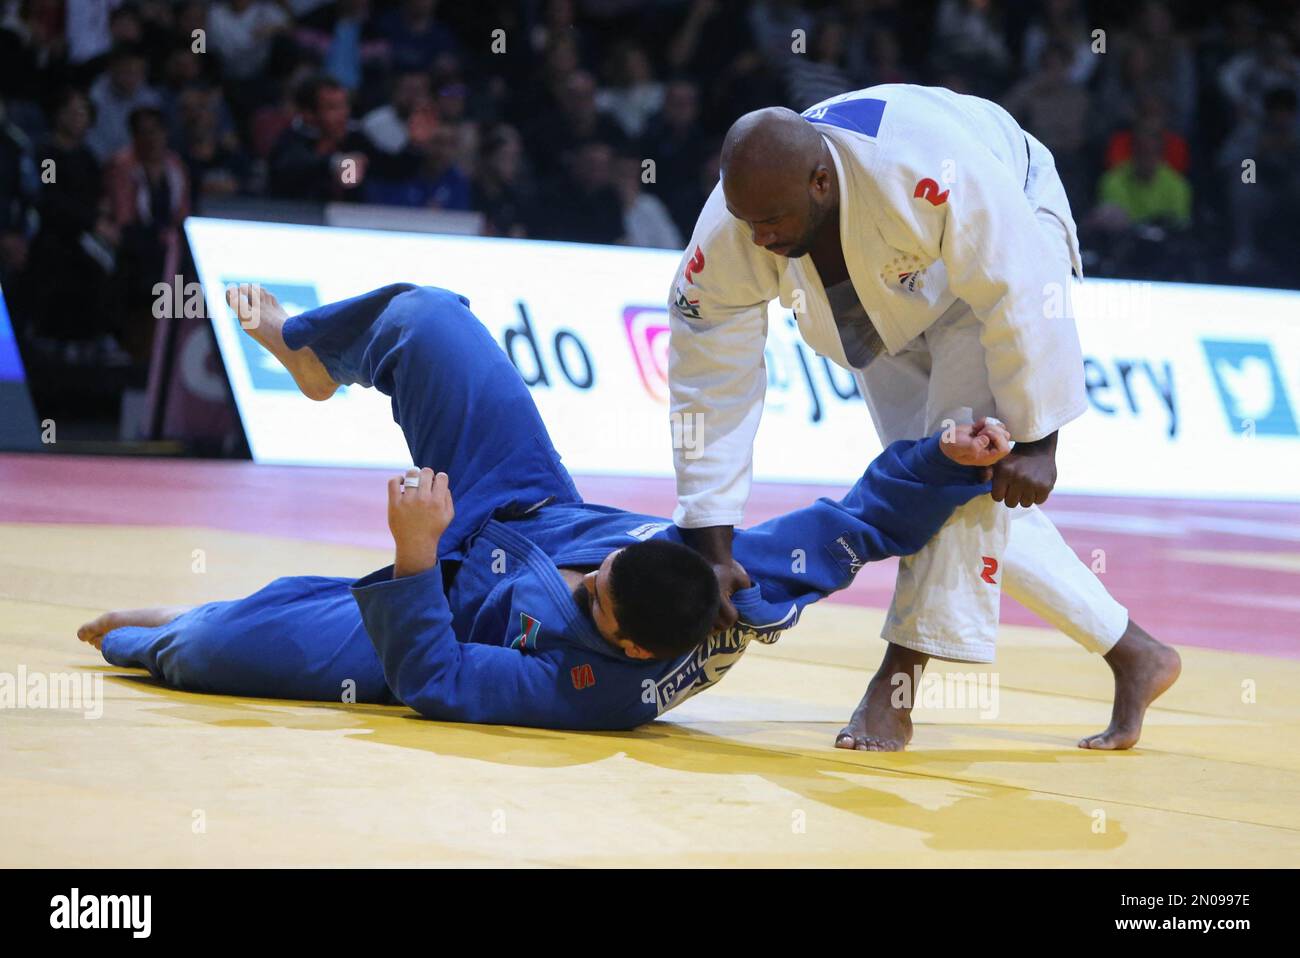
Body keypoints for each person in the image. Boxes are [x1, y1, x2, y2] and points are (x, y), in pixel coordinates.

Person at [78, 282, 1009, 731]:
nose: (585, 580)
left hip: (432, 621)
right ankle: (318, 354)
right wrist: (948, 456)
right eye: (602, 569)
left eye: (590, 598)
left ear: (632, 648)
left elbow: (439, 682)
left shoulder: (593, 693)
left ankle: (180, 621)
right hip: (516, 502)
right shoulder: (731, 577)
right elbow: (865, 526)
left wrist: (414, 555)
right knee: (429, 321)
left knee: (206, 652)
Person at [666, 84, 1182, 752]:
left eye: (771, 221)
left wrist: (1038, 435)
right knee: (938, 486)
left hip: (1007, 227)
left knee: (958, 463)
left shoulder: (929, 168)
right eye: (747, 222)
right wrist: (710, 541)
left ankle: (895, 686)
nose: (758, 237)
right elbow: (708, 376)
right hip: (875, 304)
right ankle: (1133, 651)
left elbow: (1022, 286)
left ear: (821, 181)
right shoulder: (741, 219)